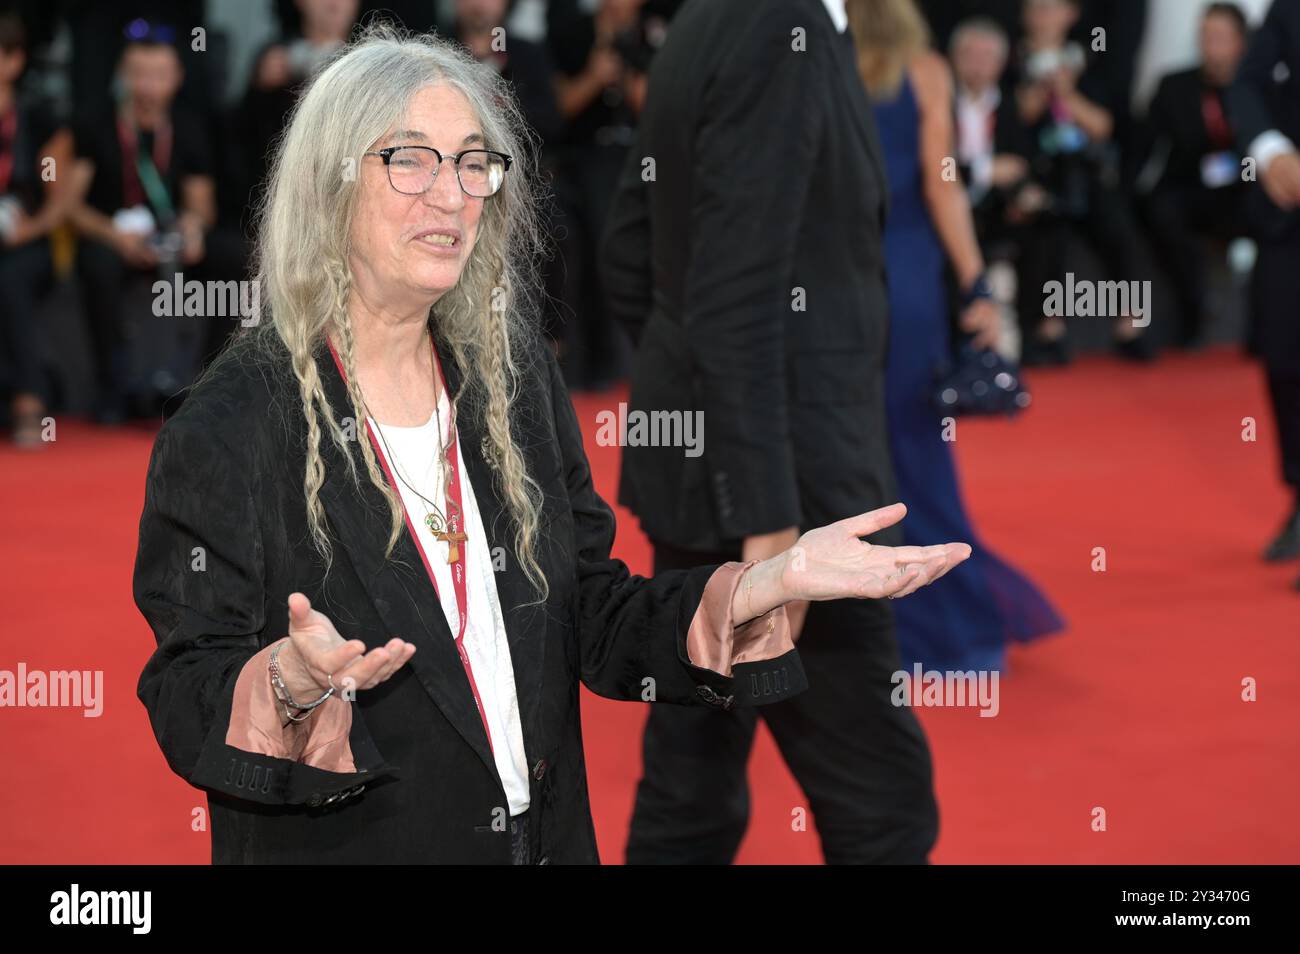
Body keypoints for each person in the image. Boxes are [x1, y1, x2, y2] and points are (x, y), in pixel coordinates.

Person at [133, 26, 971, 865]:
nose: (454, 195)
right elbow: (183, 691)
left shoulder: (508, 379)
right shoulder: (231, 424)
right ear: (332, 180)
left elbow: (592, 616)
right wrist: (284, 681)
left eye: (473, 163)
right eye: (412, 159)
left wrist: (762, 584)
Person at [602, 0, 946, 864]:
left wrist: (692, 413)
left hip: (720, 478)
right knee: (882, 804)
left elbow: (630, 248)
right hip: (793, 503)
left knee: (692, 790)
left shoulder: (710, 16)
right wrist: (772, 530)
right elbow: (734, 294)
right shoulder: (779, 27)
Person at [850, 0, 1064, 671]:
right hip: (909, 280)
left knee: (845, 452)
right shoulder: (926, 70)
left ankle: (852, 625)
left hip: (836, 278)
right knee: (917, 457)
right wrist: (975, 286)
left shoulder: (813, 62)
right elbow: (945, 187)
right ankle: (942, 622)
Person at [68, 21, 216, 423]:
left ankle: (213, 384)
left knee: (234, 259)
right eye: (138, 74)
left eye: (158, 76)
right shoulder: (96, 122)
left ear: (177, 78)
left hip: (169, 235)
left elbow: (202, 204)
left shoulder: (187, 126)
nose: (147, 86)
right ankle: (114, 389)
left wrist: (192, 227)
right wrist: (115, 237)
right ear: (122, 74)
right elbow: (71, 205)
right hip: (114, 236)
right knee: (97, 266)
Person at [1012, 0, 1154, 364]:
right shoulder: (1011, 59)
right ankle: (1048, 327)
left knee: (1117, 221)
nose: (1044, 17)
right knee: (1046, 224)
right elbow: (1013, 122)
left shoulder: (1089, 59)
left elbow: (1103, 126)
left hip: (1084, 169)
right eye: (1037, 8)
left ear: (1071, 15)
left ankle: (1131, 323)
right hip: (1035, 171)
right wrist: (1040, 88)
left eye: (1052, 8)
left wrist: (1066, 93)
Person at [1226, 0, 1300, 582]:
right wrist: (1271, 152)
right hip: (1289, 211)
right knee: (1285, 360)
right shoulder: (1287, 10)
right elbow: (1246, 84)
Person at [1135, 2, 1249, 348]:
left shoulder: (1256, 89)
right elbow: (1144, 145)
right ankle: (1192, 311)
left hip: (1244, 190)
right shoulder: (1175, 87)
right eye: (1205, 36)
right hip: (1189, 189)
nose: (1210, 45)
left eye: (1220, 37)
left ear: (1241, 42)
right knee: (1162, 209)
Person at [0, 14, 75, 447]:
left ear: (14, 61)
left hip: (29, 244)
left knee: (10, 276)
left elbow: (59, 203)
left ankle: (29, 399)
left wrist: (23, 231)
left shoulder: (40, 118)